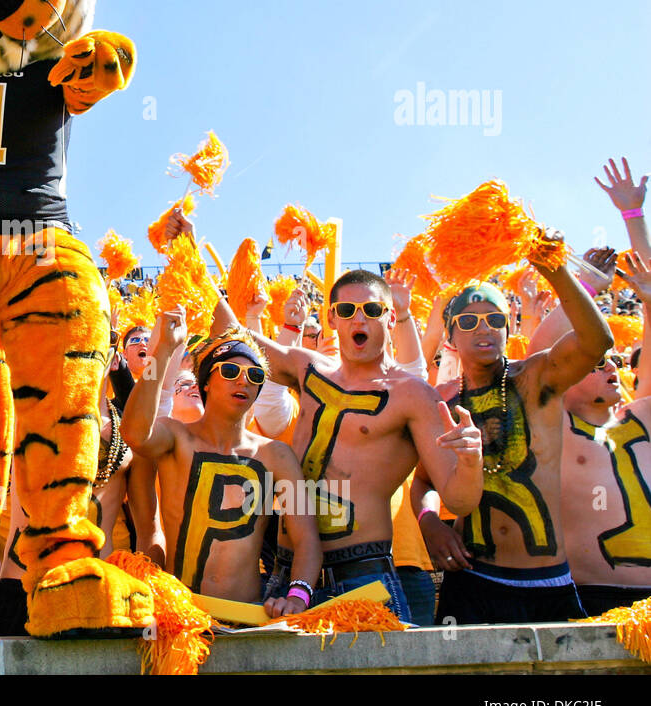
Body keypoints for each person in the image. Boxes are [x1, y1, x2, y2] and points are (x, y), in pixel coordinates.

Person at [196, 216, 484, 619]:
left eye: (371, 309)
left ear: (389, 315)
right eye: (346, 310)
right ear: (331, 318)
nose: (358, 318)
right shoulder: (306, 368)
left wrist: (470, 459)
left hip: (362, 579)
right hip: (285, 575)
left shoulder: (411, 394)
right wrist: (188, 251)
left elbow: (459, 497)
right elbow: (233, 336)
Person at [417, 257, 613, 625]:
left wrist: (558, 273)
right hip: (472, 578)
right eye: (469, 321)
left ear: (509, 327)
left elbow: (597, 341)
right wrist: (429, 521)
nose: (484, 329)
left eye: (495, 319)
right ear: (451, 337)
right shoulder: (443, 402)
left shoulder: (536, 377)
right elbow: (424, 481)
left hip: (548, 580)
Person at [122, 312, 322, 615]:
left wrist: (298, 595)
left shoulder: (276, 455)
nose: (243, 379)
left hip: (248, 614)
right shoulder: (175, 437)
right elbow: (134, 433)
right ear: (206, 382)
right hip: (181, 617)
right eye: (230, 371)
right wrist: (162, 352)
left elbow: (306, 537)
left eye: (255, 376)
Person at [560, 352, 651, 615]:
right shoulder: (557, 427)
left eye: (614, 361)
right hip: (597, 598)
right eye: (596, 363)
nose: (611, 367)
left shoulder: (641, 415)